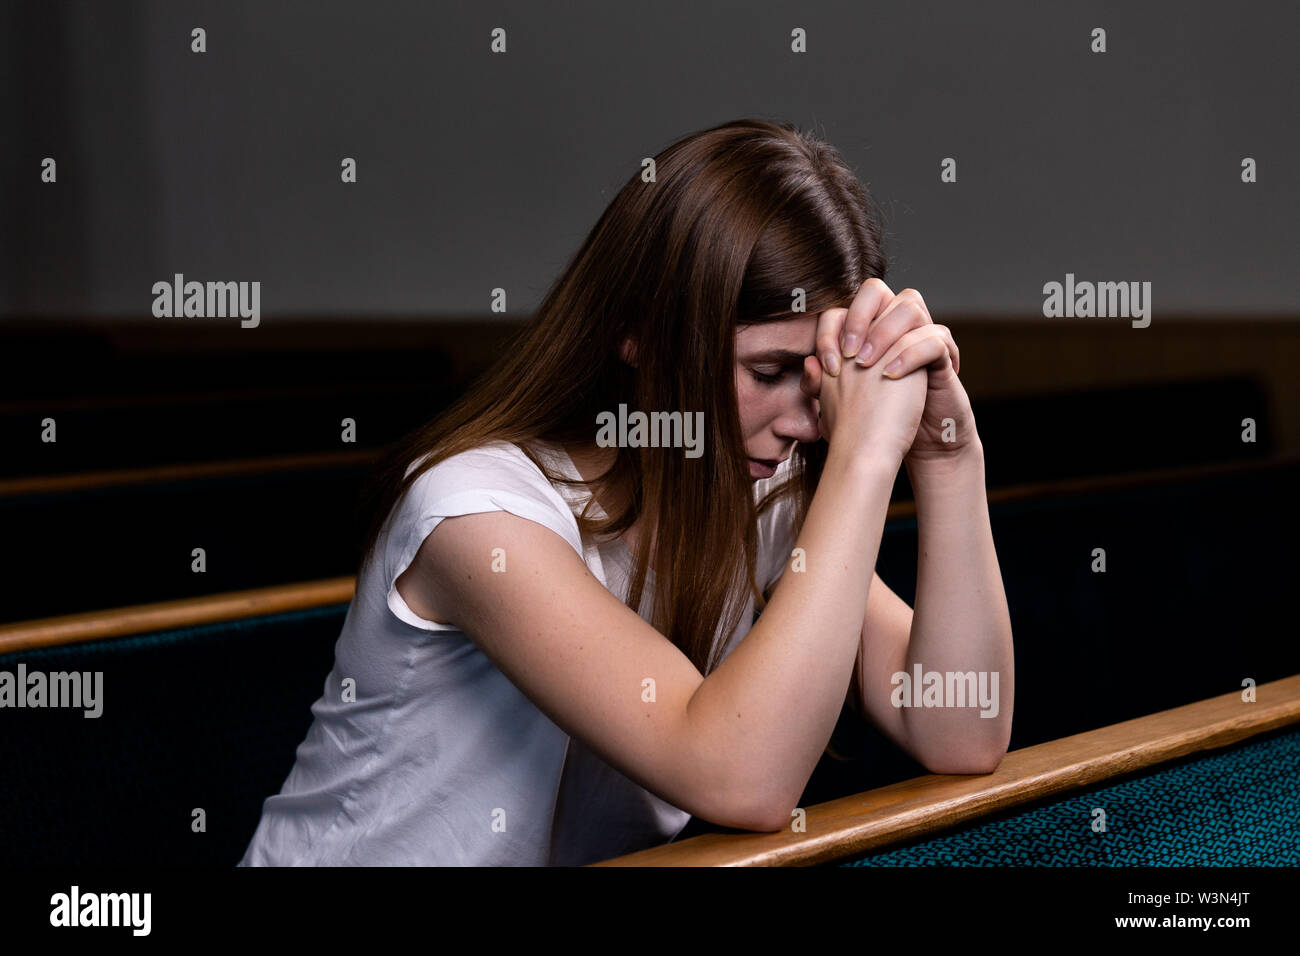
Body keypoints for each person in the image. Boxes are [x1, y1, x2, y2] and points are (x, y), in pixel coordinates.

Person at [238, 118, 1014, 866]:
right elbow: (741, 777)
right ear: (638, 334)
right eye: (769, 373)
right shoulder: (475, 515)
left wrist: (948, 461)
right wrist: (864, 458)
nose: (808, 422)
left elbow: (961, 728)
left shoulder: (757, 498)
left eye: (824, 379)